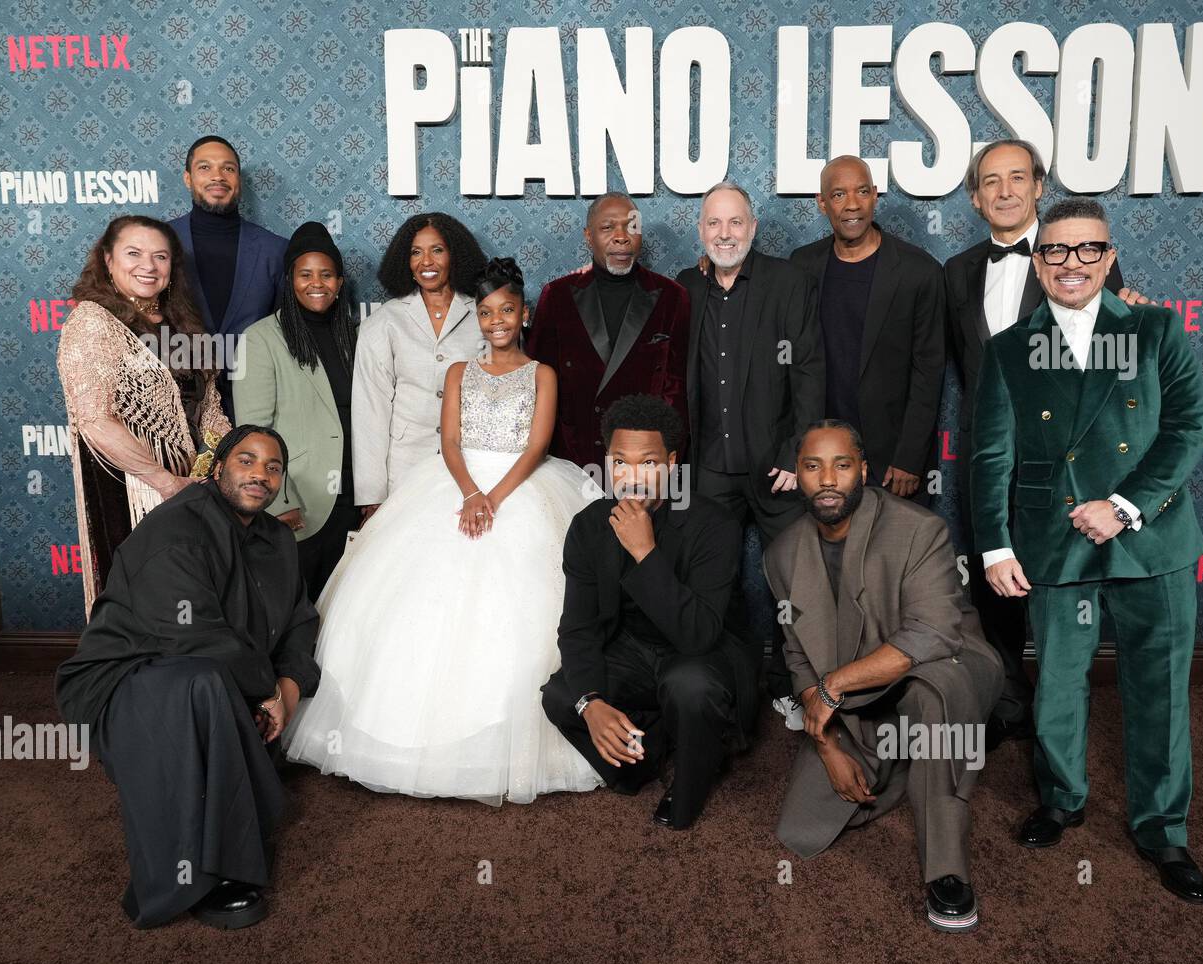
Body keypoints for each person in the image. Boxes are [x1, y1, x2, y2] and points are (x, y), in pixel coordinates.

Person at [282, 258, 604, 804]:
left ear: (523, 314)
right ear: (476, 318)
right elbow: (449, 442)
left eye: (506, 310)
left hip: (520, 485)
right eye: (485, 312)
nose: (496, 321)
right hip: (454, 485)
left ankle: (503, 742)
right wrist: (470, 494)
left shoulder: (542, 373)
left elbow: (536, 447)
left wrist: (495, 498)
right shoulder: (459, 372)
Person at [971, 197, 1203, 904]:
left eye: (1086, 250)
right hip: (1053, 540)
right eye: (1055, 251)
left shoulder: (1158, 328)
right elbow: (990, 455)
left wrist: (1124, 506)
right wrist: (993, 546)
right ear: (1039, 263)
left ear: (1108, 257)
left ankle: (1163, 828)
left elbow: (1188, 428)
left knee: (1160, 690)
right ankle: (1061, 801)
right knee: (1059, 689)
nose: (1070, 264)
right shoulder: (1009, 349)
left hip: (1151, 539)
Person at [54, 425, 320, 930]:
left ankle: (233, 835)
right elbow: (191, 633)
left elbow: (301, 622)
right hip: (125, 673)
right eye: (246, 461)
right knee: (200, 685)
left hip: (222, 675)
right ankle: (202, 874)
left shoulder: (277, 539)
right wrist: (263, 689)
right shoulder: (177, 527)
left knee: (210, 685)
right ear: (217, 469)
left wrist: (286, 690)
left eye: (272, 467)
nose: (259, 475)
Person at [943, 139, 1143, 750]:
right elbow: (963, 368)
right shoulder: (956, 272)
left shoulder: (1083, 261)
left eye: (1017, 178)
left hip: (1068, 464)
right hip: (988, 455)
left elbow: (1121, 358)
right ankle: (1009, 704)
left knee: (1061, 596)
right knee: (994, 582)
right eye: (991, 182)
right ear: (976, 199)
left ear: (1038, 187)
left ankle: (1061, 727)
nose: (1005, 191)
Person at [764, 420, 1001, 932]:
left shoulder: (917, 528)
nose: (827, 479)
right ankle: (903, 768)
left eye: (842, 465)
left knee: (934, 694)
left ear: (863, 472)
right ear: (798, 476)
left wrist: (835, 687)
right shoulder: (782, 554)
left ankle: (946, 868)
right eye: (812, 466)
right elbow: (797, 657)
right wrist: (826, 745)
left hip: (943, 666)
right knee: (800, 826)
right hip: (855, 693)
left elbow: (934, 633)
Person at [542, 393, 760, 829]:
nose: (633, 477)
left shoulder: (713, 524)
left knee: (689, 686)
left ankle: (693, 776)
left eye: (649, 462)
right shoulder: (588, 525)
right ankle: (651, 751)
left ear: (672, 462)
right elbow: (578, 630)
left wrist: (645, 552)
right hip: (632, 651)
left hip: (698, 652)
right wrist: (592, 704)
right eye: (621, 461)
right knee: (560, 695)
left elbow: (698, 634)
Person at [676, 180, 824, 702]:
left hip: (775, 464)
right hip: (708, 471)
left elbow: (809, 372)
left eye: (735, 222)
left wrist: (796, 453)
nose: (724, 233)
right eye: (713, 223)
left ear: (753, 228)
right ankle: (726, 688)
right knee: (715, 586)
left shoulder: (788, 282)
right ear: (700, 232)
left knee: (797, 586)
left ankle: (799, 689)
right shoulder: (685, 288)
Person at [57, 215, 231, 617]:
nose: (148, 266)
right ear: (107, 260)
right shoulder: (92, 322)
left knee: (190, 596)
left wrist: (227, 461)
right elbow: (94, 420)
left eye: (160, 256)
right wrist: (164, 482)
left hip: (191, 485)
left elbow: (209, 408)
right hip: (130, 486)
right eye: (133, 254)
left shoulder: (184, 324)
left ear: (173, 268)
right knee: (142, 598)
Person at [790, 156, 946, 505]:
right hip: (824, 458)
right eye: (839, 194)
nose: (853, 205)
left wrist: (909, 457)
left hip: (893, 460)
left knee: (897, 557)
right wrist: (713, 264)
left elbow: (929, 372)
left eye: (862, 191)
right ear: (822, 202)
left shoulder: (919, 272)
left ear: (875, 195)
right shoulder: (802, 266)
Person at [234, 221, 359, 600]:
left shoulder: (356, 337)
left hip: (354, 497)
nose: (316, 283)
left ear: (339, 282)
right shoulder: (260, 339)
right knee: (295, 607)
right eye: (305, 274)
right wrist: (279, 500)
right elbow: (254, 432)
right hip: (300, 500)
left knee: (344, 606)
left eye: (326, 274)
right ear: (290, 280)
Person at [527, 192, 690, 471]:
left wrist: (667, 456)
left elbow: (680, 390)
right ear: (588, 236)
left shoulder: (672, 297)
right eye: (607, 227)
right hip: (572, 458)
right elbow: (536, 382)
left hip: (642, 461)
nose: (621, 236)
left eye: (631, 226)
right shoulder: (557, 296)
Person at [352, 213, 487, 518]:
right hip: (404, 471)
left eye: (437, 250)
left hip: (471, 470)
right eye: (416, 252)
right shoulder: (384, 322)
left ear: (455, 255)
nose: (427, 261)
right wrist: (372, 495)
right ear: (405, 261)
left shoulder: (485, 315)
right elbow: (369, 412)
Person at [168, 135, 289, 422]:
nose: (217, 176)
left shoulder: (275, 250)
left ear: (239, 180)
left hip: (255, 405)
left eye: (228, 168)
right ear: (188, 178)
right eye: (205, 168)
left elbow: (286, 335)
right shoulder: (159, 246)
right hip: (178, 404)